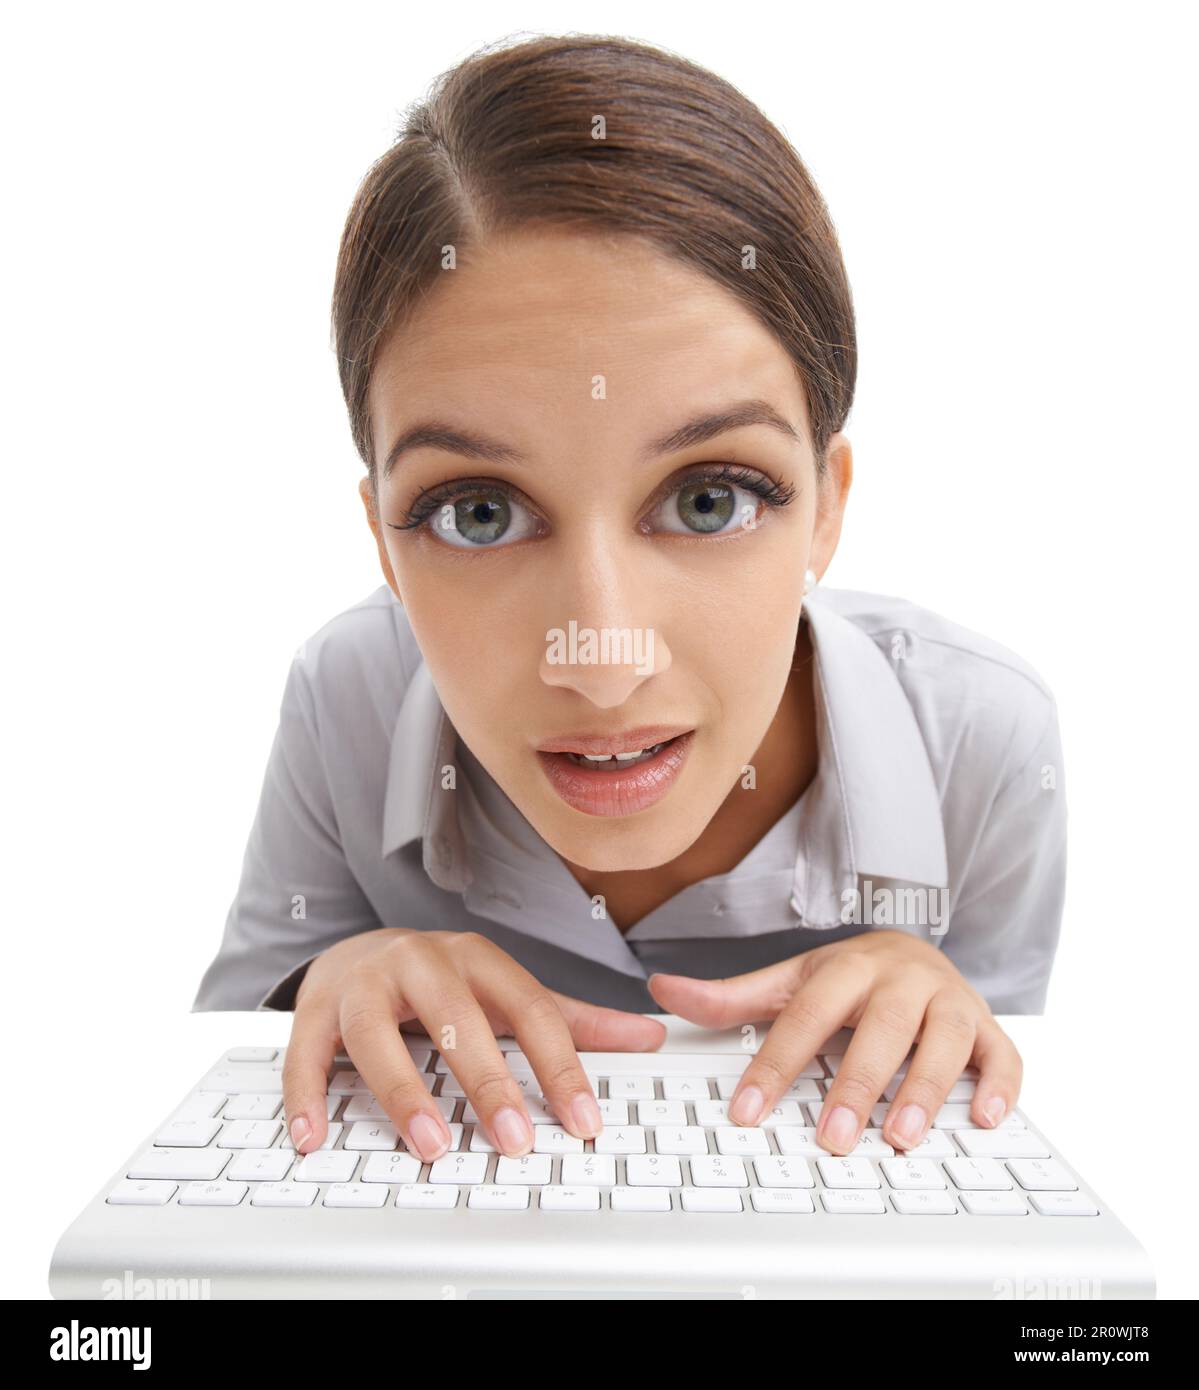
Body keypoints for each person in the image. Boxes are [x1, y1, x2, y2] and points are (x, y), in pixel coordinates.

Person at [194, 33, 1066, 1171]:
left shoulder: (983, 747)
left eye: (708, 500)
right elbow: (218, 1070)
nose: (598, 657)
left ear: (823, 508)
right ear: (382, 542)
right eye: (477, 512)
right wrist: (321, 985)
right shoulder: (342, 701)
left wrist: (952, 1014)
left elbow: (1004, 1144)